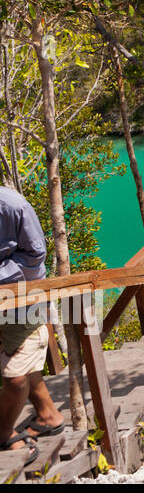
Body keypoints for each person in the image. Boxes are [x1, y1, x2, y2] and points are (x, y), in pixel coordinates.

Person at [0, 186, 64, 467]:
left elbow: (36, 254)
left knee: (15, 377)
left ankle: (2, 434)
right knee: (23, 365)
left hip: (23, 296)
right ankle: (49, 415)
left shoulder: (12, 205)